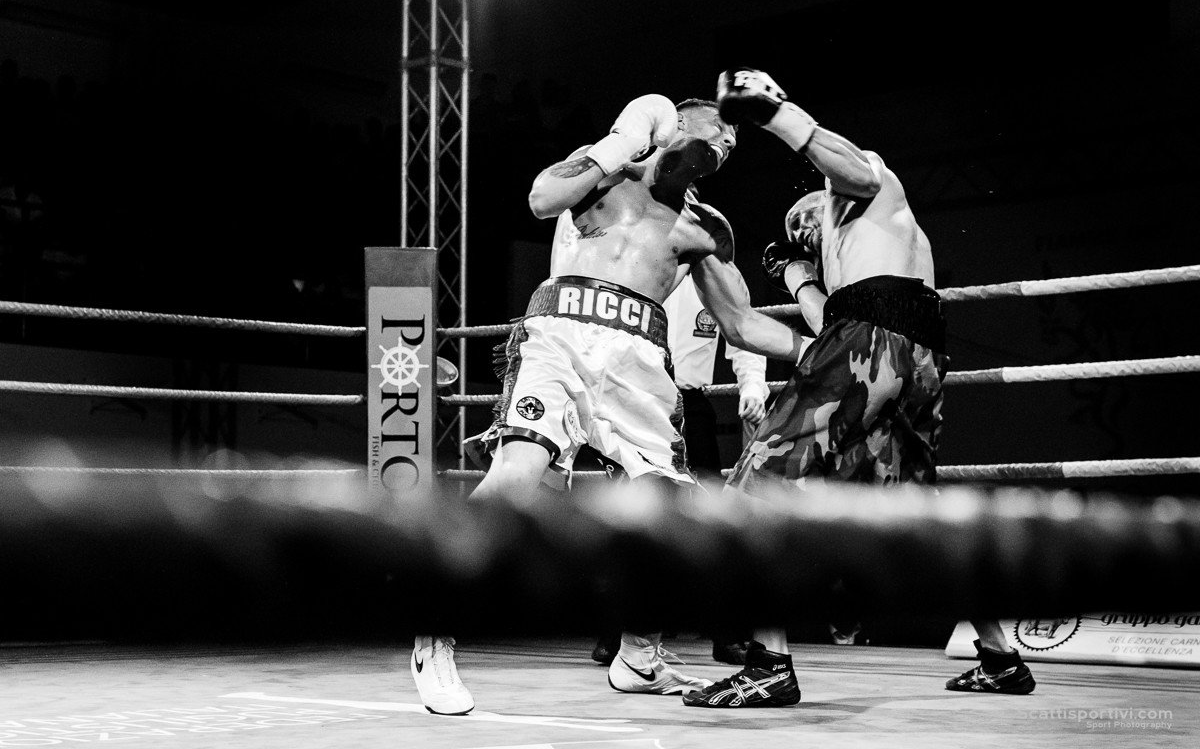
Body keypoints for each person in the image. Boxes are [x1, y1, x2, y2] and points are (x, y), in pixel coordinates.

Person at [410, 93, 812, 714]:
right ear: (676, 124)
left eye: (735, 144)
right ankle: (433, 631)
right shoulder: (603, 172)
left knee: (668, 506)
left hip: (640, 358)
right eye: (721, 129)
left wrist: (823, 351)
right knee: (517, 475)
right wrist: (623, 141)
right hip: (561, 330)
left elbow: (742, 325)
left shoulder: (707, 228)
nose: (728, 145)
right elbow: (541, 199)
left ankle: (638, 656)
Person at [681, 68, 1035, 708]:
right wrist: (796, 275)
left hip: (878, 338)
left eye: (805, 219)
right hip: (901, 351)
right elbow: (831, 333)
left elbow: (854, 173)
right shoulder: (850, 255)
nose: (804, 228)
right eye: (798, 231)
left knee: (759, 476)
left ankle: (767, 663)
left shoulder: (864, 183)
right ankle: (1002, 656)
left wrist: (774, 112)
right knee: (912, 519)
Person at [589, 270, 769, 668]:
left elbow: (744, 328)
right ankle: (617, 636)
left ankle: (727, 636)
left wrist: (753, 385)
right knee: (635, 521)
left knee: (712, 522)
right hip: (633, 400)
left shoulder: (717, 267)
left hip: (691, 402)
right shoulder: (637, 253)